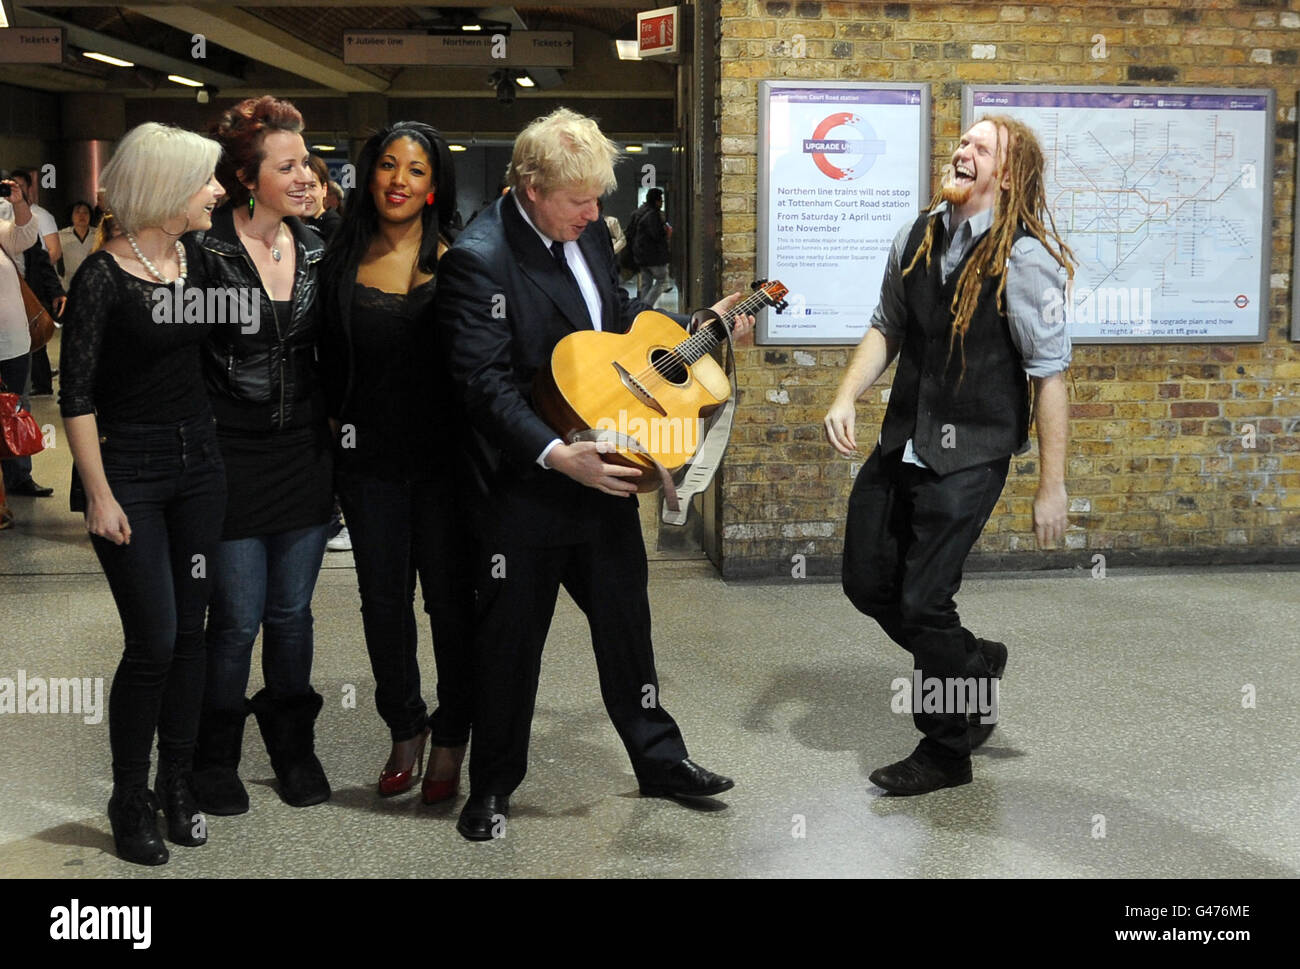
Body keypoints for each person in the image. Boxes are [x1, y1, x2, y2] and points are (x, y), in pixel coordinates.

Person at [437, 107, 752, 841]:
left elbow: (619, 329)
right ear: (529, 183)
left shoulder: (590, 240)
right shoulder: (479, 259)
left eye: (598, 196)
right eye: (577, 198)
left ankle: (660, 759)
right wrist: (555, 454)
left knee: (626, 627)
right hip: (523, 489)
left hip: (603, 474)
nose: (593, 211)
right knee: (511, 644)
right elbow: (482, 386)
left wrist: (696, 325)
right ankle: (492, 787)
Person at [824, 116, 1073, 795]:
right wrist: (847, 395)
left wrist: (1051, 487)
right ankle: (974, 660)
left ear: (1009, 175)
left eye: (980, 148)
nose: (962, 151)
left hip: (972, 456)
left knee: (926, 600)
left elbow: (1049, 375)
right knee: (866, 582)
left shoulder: (1025, 261)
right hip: (904, 440)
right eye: (962, 142)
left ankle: (947, 749)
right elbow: (887, 326)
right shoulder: (914, 237)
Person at [58, 123, 226, 864]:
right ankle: (129, 794)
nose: (219, 191)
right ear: (166, 190)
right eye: (207, 181)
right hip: (128, 471)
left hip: (200, 468)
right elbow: (76, 394)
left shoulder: (199, 262)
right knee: (154, 638)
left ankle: (177, 782)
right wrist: (98, 494)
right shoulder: (101, 277)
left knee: (193, 634)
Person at [319, 121, 475, 803]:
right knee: (384, 604)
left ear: (434, 184)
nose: (398, 181)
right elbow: (319, 358)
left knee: (449, 604)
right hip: (368, 464)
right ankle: (404, 727)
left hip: (446, 467)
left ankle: (451, 736)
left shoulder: (463, 260)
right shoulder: (338, 257)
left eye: (414, 170)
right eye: (387, 165)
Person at [190, 95, 333, 815]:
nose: (305, 174)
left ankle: (292, 744)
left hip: (304, 452)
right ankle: (213, 753)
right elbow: (176, 353)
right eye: (289, 165)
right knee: (238, 618)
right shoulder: (206, 251)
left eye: (306, 162)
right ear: (249, 177)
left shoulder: (315, 246)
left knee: (292, 614)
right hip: (232, 455)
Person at [0, 174, 42, 516]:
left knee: (16, 409)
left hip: (12, 341)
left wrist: (18, 203)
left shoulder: (1, 228)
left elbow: (27, 236)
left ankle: (19, 476)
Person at [630, 187, 670, 308]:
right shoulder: (653, 215)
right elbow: (656, 235)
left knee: (646, 283)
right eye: (661, 200)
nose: (662, 203)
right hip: (654, 256)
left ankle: (640, 310)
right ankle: (646, 306)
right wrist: (666, 231)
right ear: (656, 201)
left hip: (640, 255)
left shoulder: (639, 212)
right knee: (662, 281)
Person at [304, 155, 341, 244]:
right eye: (299, 187)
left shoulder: (335, 227)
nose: (306, 195)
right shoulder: (288, 224)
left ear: (324, 189)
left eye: (312, 186)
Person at [59, 200, 97, 287]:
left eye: (85, 212)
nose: (81, 215)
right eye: (77, 212)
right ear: (71, 216)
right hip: (70, 284)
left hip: (94, 283)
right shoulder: (61, 236)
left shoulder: (98, 235)